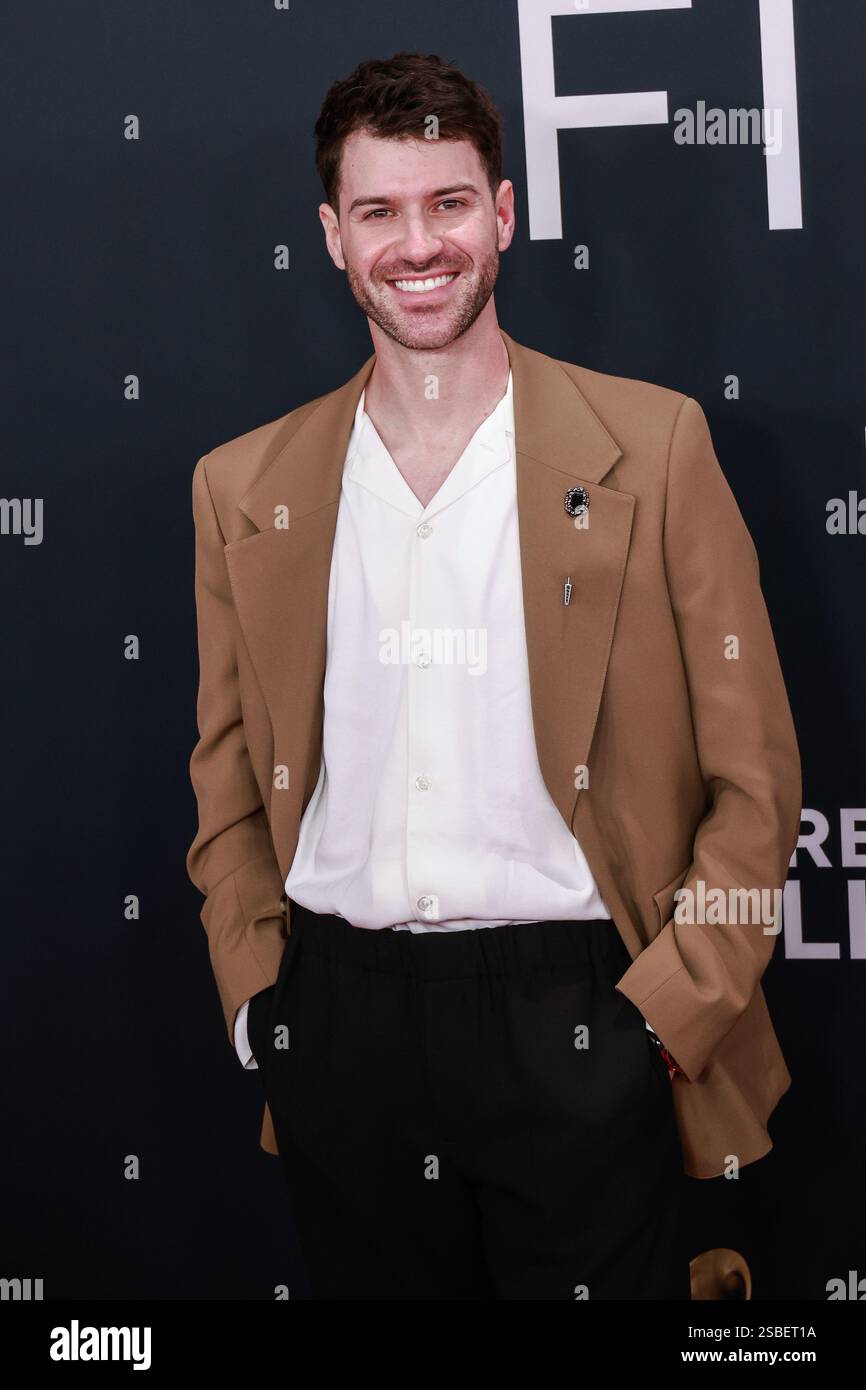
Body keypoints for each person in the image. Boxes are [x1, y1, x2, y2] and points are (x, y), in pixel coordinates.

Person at [185, 51, 801, 1300]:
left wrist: (665, 1018)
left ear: (503, 213)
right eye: (379, 211)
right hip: (337, 1022)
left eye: (447, 203)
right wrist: (266, 1009)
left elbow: (755, 785)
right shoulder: (240, 488)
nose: (418, 244)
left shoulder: (655, 445)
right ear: (331, 236)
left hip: (577, 1016)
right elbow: (226, 786)